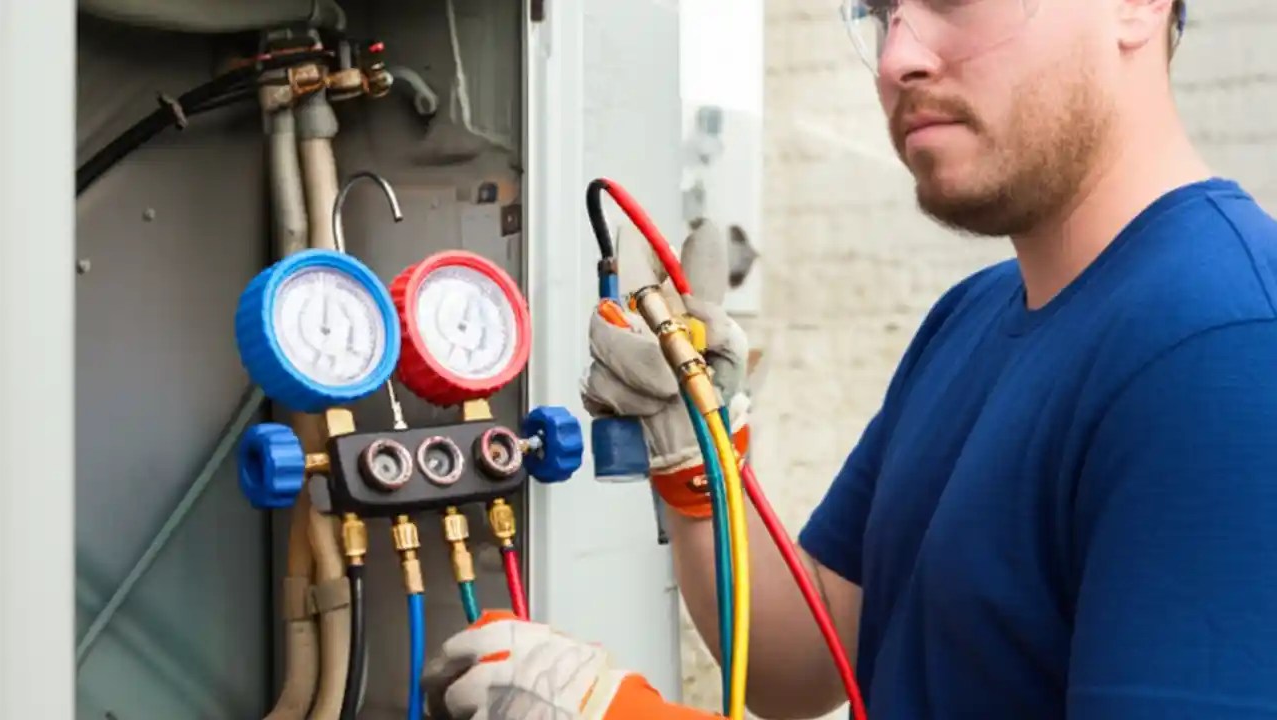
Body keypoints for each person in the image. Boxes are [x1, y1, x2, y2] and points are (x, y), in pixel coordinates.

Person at [424, 0, 1277, 717]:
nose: (897, 55)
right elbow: (802, 653)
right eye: (878, 10)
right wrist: (696, 456)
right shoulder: (973, 316)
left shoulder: (1219, 354)